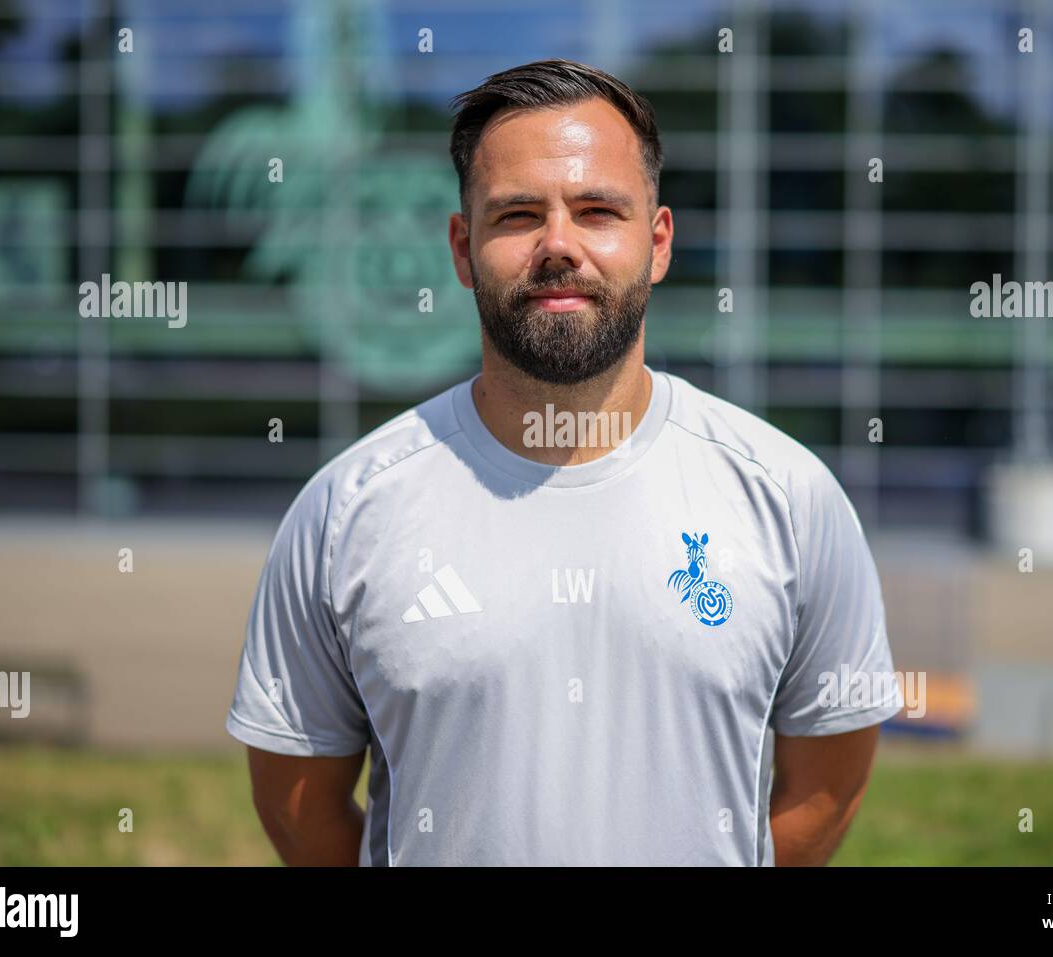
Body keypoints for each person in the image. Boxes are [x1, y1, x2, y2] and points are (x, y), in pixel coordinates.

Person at [225, 58, 902, 866]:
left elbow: (826, 790)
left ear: (656, 244)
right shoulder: (347, 510)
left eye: (596, 210)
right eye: (517, 214)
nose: (558, 245)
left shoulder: (789, 498)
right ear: (462, 247)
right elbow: (299, 804)